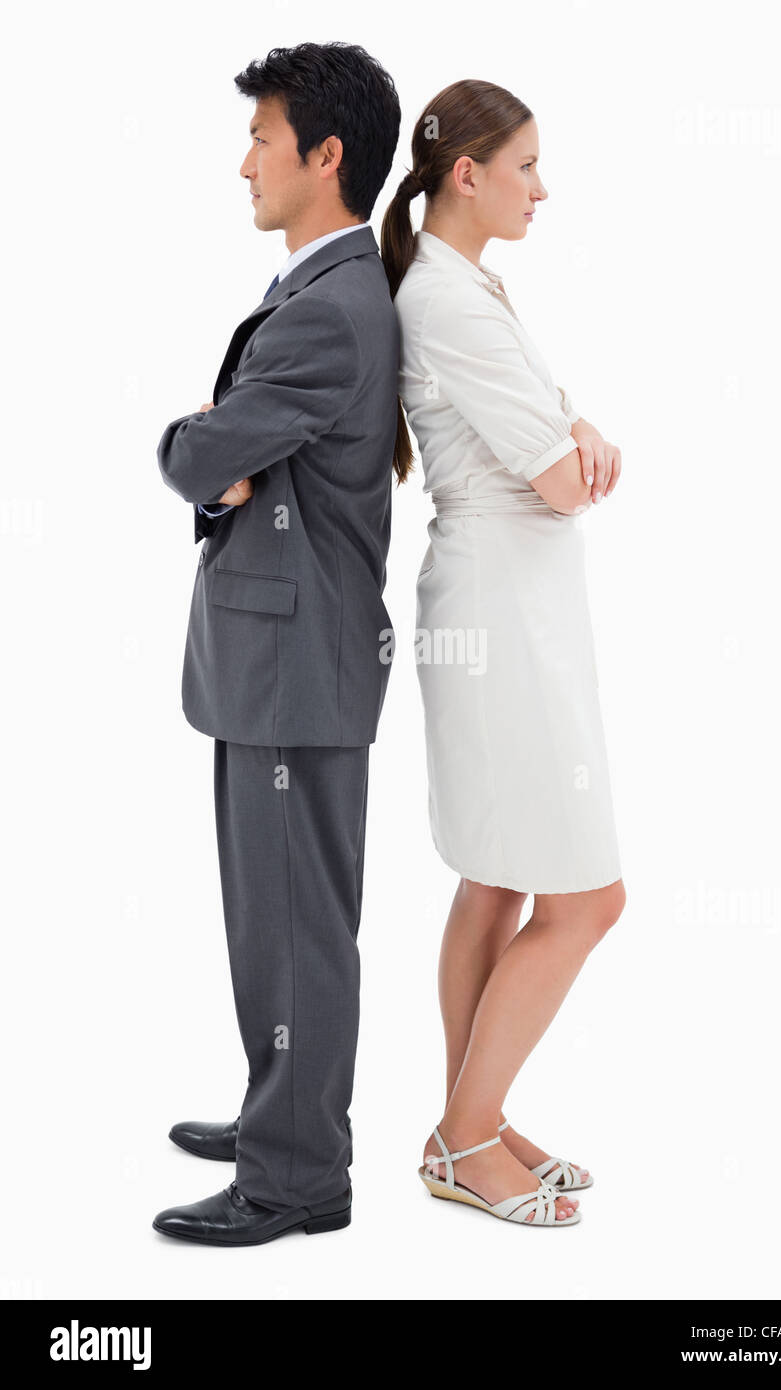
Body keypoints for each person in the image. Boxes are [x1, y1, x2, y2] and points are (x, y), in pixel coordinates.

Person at [153, 43, 405, 1246]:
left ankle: (295, 1173)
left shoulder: (332, 312)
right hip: (279, 664)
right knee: (276, 919)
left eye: (262, 137)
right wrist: (223, 461)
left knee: (294, 926)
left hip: (292, 670)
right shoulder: (327, 294)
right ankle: (283, 1116)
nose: (243, 159)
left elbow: (203, 456)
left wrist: (190, 446)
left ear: (327, 155)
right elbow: (232, 469)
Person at [380, 80, 626, 1227]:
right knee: (587, 896)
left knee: (497, 875)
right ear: (464, 173)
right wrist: (576, 436)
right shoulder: (451, 302)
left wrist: (571, 429)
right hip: (500, 618)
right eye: (524, 163)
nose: (542, 186)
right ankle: (467, 1129)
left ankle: (464, 1125)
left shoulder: (464, 286)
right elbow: (562, 479)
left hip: (505, 608)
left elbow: (560, 440)